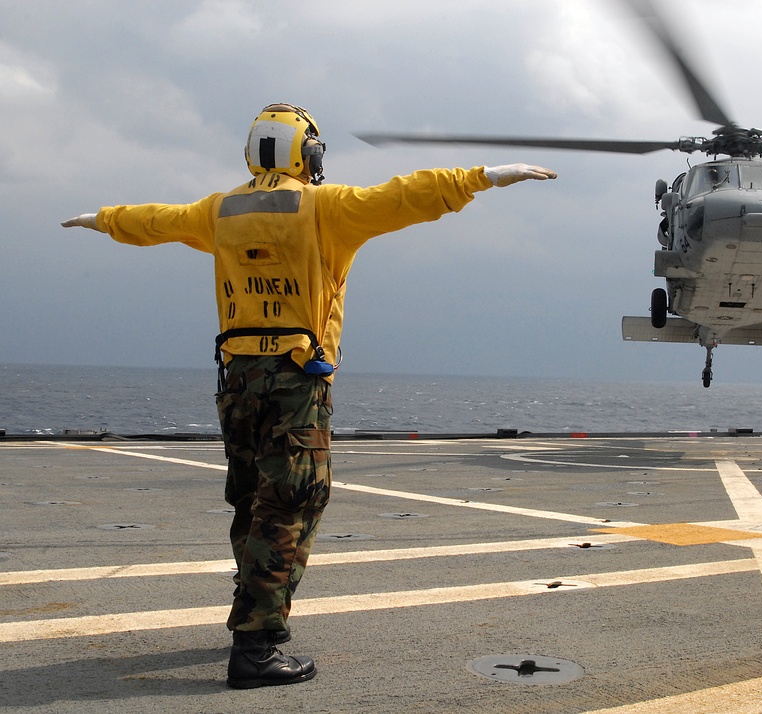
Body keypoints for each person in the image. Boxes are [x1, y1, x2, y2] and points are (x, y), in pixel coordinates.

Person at [61, 103, 556, 689]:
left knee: (252, 498)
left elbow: (155, 220)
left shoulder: (219, 211)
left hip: (237, 379)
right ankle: (256, 646)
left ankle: (251, 611)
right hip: (296, 379)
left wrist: (104, 218)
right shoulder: (324, 207)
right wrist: (482, 177)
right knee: (293, 501)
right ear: (308, 154)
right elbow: (404, 195)